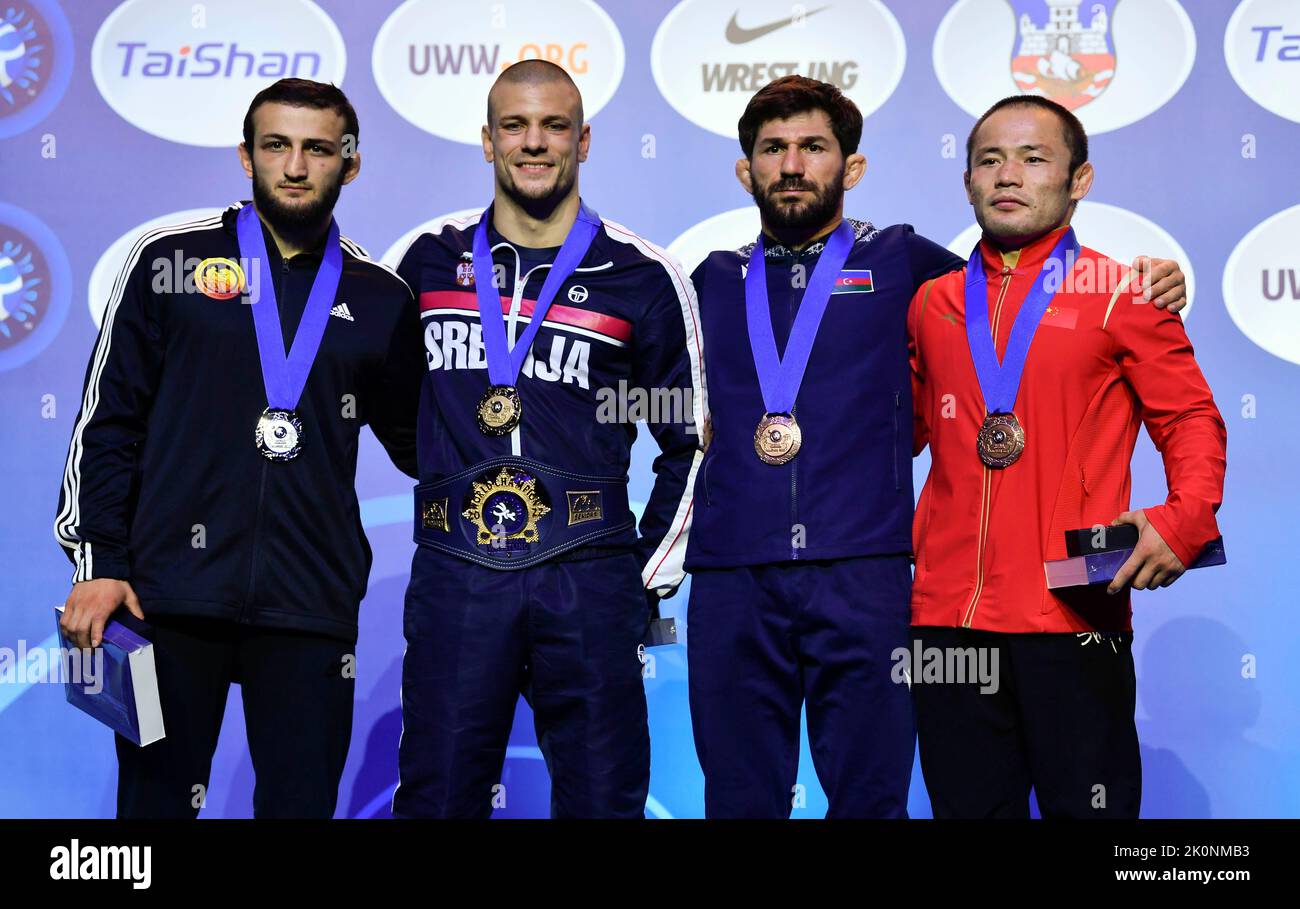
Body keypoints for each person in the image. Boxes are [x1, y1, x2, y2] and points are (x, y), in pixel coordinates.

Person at [683, 75, 1187, 818]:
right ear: (745, 169)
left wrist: (1145, 279)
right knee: (738, 798)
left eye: (813, 147)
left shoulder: (906, 265)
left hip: (867, 577)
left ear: (851, 168)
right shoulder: (707, 282)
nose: (792, 165)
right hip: (732, 575)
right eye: (773, 149)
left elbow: (1018, 295)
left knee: (872, 798)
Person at [53, 78, 422, 818]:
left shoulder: (382, 299)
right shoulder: (170, 260)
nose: (294, 166)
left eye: (317, 149)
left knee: (300, 807)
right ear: (245, 155)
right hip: (162, 599)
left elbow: (425, 446)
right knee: (152, 813)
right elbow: (108, 422)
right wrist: (100, 565)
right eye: (276, 146)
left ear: (350, 164)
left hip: (310, 606)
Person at [391, 60, 703, 819]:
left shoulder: (641, 274)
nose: (534, 143)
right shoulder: (430, 263)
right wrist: (445, 483)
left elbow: (687, 440)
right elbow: (400, 407)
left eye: (554, 126)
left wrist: (644, 576)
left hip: (589, 574)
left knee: (603, 799)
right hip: (458, 571)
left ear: (584, 140)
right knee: (436, 797)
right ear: (487, 140)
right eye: (515, 126)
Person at [907, 94, 1226, 818]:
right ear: (967, 183)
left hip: (1073, 612)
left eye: (1033, 157)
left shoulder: (1124, 292)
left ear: (1079, 180)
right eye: (989, 160)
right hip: (945, 620)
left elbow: (1193, 419)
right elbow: (903, 433)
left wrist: (1184, 521)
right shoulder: (932, 302)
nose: (1008, 174)